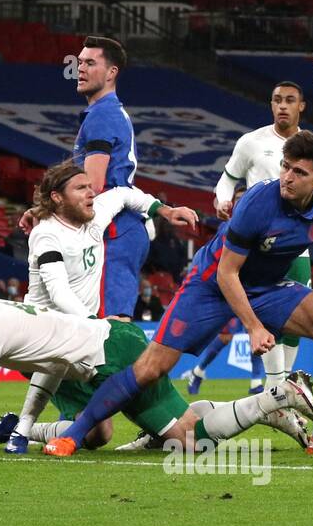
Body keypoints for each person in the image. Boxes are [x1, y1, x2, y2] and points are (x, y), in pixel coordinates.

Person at [43, 131, 313, 458]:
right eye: (285, 166)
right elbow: (228, 273)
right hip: (211, 284)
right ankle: (73, 435)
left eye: (299, 172)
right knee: (151, 368)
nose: (287, 177)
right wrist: (254, 327)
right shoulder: (257, 203)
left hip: (266, 287)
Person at [0, 258, 313, 458]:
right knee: (95, 437)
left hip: (111, 350)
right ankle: (19, 426)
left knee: (188, 442)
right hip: (69, 368)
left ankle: (275, 397)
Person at [13, 162, 198, 453]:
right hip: (47, 339)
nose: (91, 192)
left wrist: (164, 210)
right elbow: (59, 292)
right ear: (58, 198)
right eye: (81, 188)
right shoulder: (46, 234)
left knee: (99, 434)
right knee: (114, 420)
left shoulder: (96, 212)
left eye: (90, 186)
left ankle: (16, 428)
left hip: (83, 334)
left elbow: (124, 194)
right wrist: (96, 323)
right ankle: (20, 430)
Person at [210, 81, 313, 394]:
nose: (282, 106)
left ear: (301, 106)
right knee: (269, 316)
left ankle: (282, 384)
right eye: (277, 100)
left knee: (295, 319)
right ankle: (276, 387)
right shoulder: (251, 142)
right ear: (271, 105)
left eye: (290, 100)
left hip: (297, 246)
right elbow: (227, 180)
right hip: (259, 245)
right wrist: (222, 200)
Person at [19, 37, 145, 320]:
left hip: (112, 228)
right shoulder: (108, 112)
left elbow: (93, 185)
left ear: (112, 72)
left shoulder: (101, 116)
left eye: (90, 63)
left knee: (106, 330)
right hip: (120, 226)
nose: (80, 69)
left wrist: (46, 212)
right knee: (105, 330)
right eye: (79, 63)